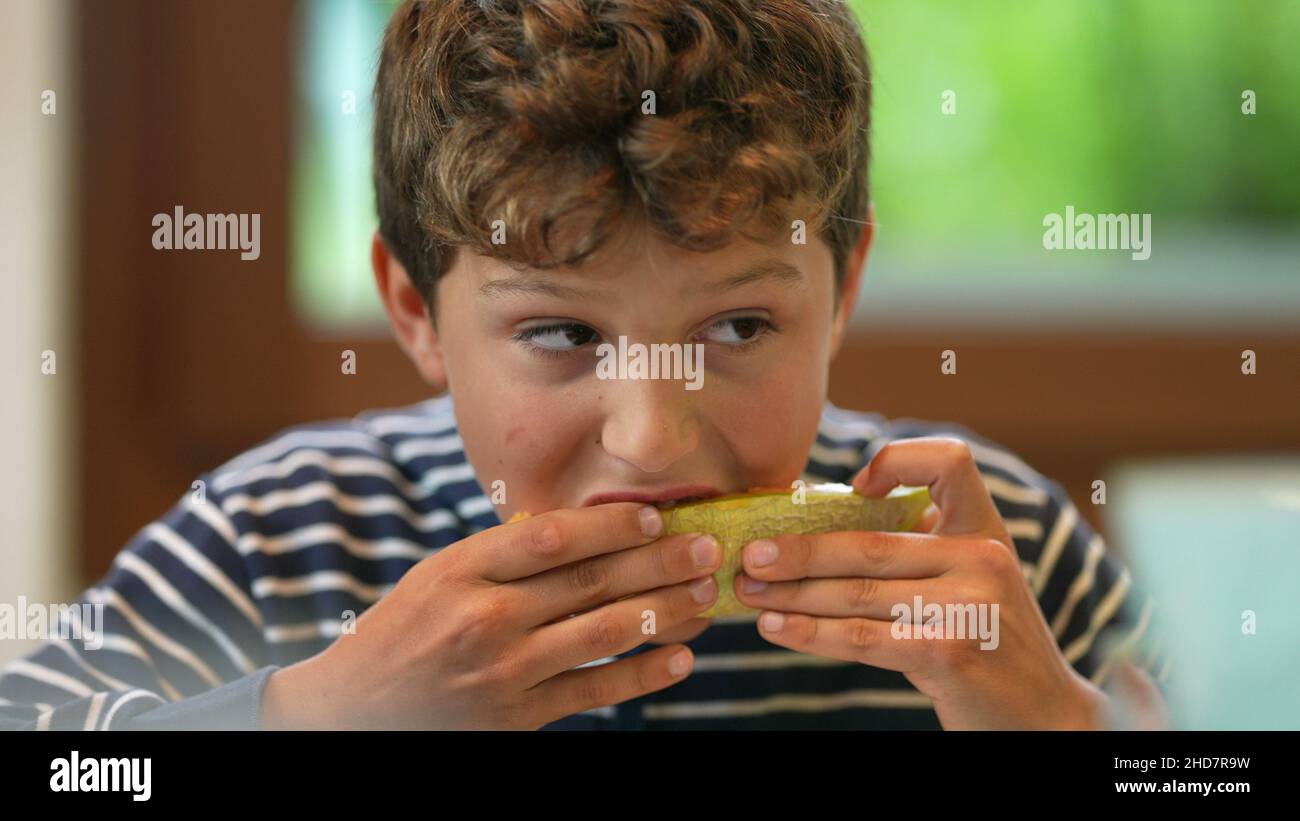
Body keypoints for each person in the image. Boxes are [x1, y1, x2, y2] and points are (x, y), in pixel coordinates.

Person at [0, 0, 1165, 730]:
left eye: (739, 328)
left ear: (844, 288)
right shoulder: (279, 534)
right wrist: (307, 717)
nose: (650, 438)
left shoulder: (985, 545)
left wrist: (1057, 724)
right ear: (415, 308)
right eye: (562, 334)